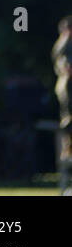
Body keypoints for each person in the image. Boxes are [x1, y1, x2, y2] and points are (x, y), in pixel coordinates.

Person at [53, 17, 72, 190]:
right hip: (67, 87)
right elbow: (64, 66)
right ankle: (67, 149)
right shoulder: (63, 44)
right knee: (67, 121)